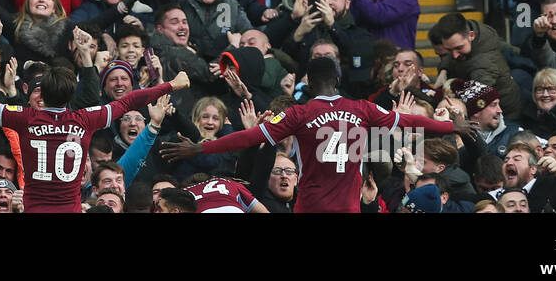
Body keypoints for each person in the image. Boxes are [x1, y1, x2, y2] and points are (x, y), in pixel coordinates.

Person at [161, 57, 469, 213]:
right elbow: (411, 122)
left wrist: (200, 149)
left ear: (309, 86)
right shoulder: (363, 109)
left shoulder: (299, 114)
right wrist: (454, 126)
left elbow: (249, 137)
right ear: (337, 78)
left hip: (309, 207)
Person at [0, 67, 188, 212]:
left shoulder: (25, 117)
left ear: (42, 92)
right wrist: (170, 85)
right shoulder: (86, 118)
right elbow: (130, 100)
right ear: (70, 94)